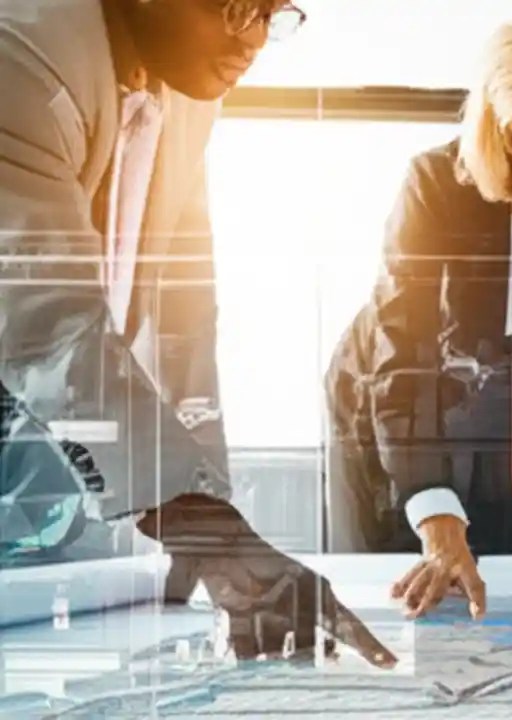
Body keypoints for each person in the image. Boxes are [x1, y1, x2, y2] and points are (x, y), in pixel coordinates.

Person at [0, 0, 393, 666]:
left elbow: (183, 314)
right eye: (240, 7)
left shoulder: (183, 96)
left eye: (275, 12)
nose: (257, 39)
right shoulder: (20, 48)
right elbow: (45, 318)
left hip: (46, 454)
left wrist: (212, 521)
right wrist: (202, 527)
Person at [323, 10, 512, 620]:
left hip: (504, 393)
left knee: (486, 575)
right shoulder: (434, 185)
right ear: (500, 136)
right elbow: (403, 352)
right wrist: (435, 510)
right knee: (402, 573)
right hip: (388, 393)